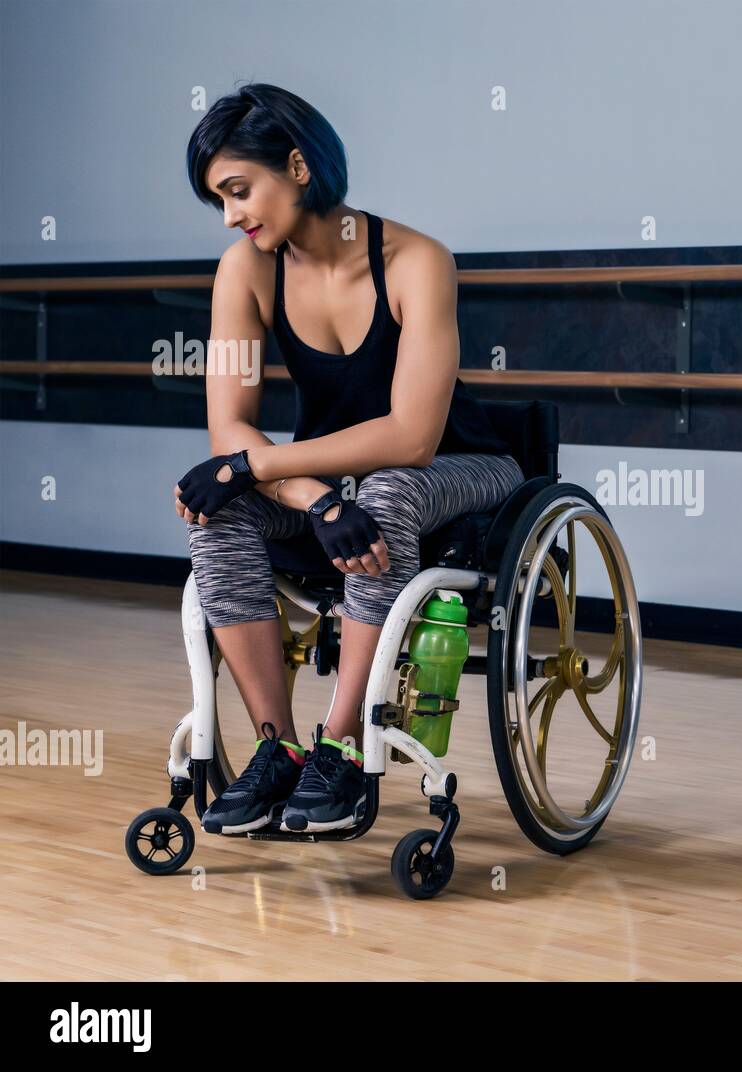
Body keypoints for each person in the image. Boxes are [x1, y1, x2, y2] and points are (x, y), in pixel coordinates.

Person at [176, 83, 524, 834]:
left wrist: (255, 467)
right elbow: (229, 425)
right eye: (220, 202)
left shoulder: (417, 260)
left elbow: (412, 437)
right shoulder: (245, 271)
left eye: (239, 191)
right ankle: (281, 750)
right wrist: (319, 500)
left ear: (297, 166)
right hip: (337, 483)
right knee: (217, 511)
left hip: (464, 467)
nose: (232, 216)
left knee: (390, 488)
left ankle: (342, 743)